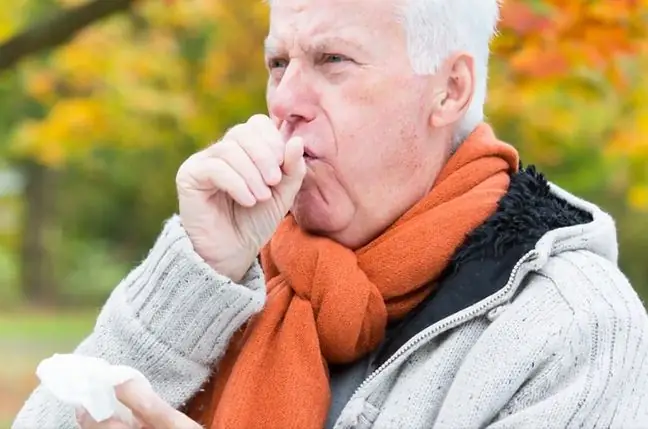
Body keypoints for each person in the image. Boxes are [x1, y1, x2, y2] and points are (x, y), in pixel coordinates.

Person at [13, 0, 648, 427]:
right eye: (278, 63)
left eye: (331, 61)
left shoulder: (571, 330)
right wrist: (196, 275)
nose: (285, 99)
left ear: (449, 89)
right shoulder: (235, 270)